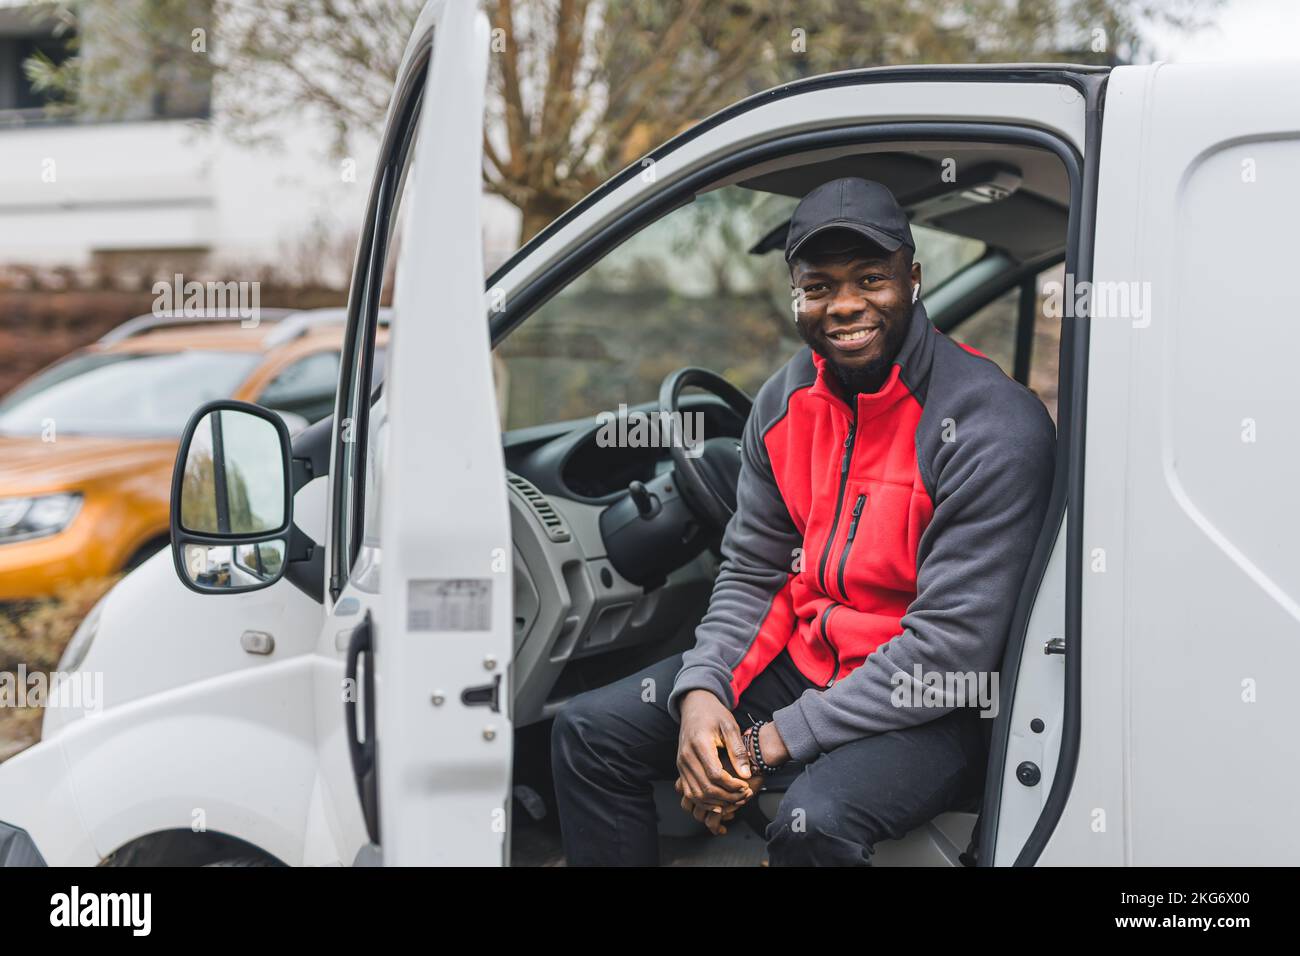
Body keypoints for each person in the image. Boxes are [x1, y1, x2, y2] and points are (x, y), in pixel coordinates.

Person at [552, 177, 1056, 866]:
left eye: (871, 278)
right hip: (811, 660)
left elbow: (950, 652)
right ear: (796, 294)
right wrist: (703, 692)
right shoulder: (785, 400)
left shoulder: (988, 422)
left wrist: (764, 745)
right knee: (589, 732)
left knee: (810, 823)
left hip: (938, 703)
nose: (844, 305)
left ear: (913, 278)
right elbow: (753, 571)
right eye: (818, 286)